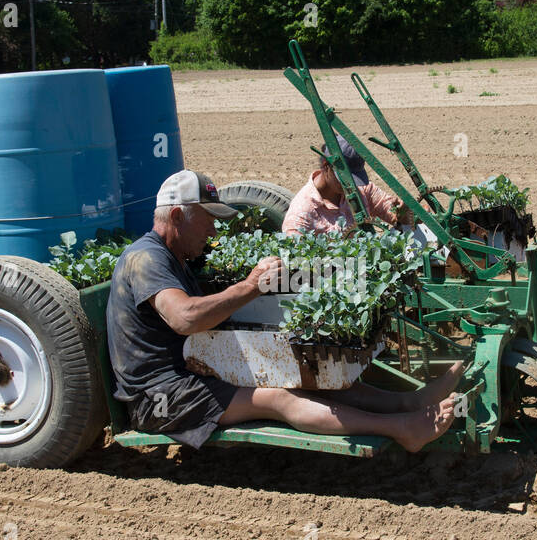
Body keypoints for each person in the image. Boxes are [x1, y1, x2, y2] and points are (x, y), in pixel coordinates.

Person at [106, 169, 463, 452]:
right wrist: (250, 286)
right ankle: (402, 429)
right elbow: (185, 318)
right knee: (278, 396)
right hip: (161, 397)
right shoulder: (146, 259)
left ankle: (409, 403)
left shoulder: (176, 256)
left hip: (194, 369)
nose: (214, 228)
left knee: (307, 372)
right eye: (208, 218)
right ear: (179, 215)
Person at [282, 135, 413, 235]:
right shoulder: (301, 215)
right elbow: (298, 265)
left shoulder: (362, 190)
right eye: (345, 179)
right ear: (327, 166)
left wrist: (404, 214)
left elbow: (397, 215)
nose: (351, 186)